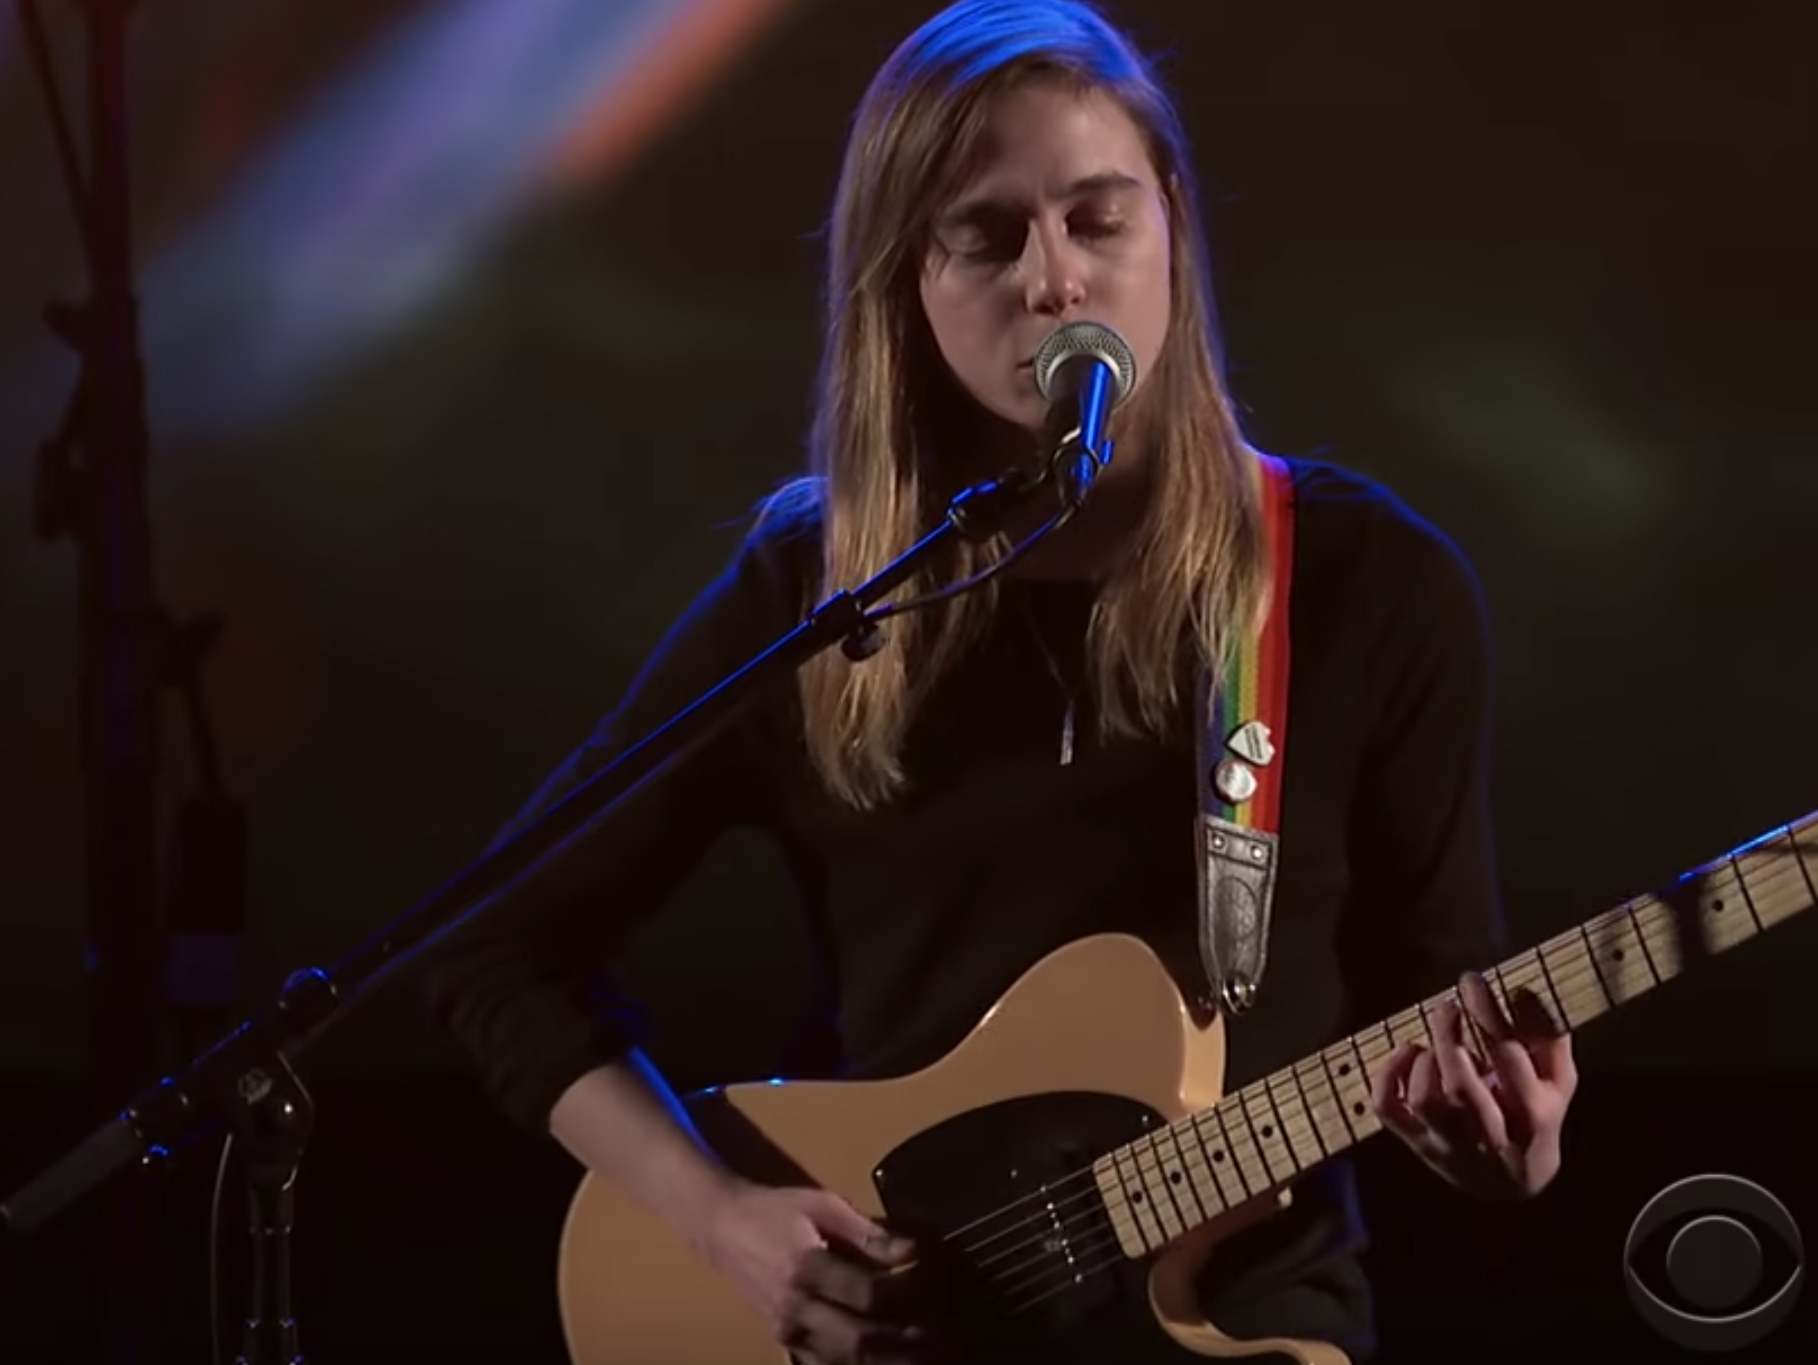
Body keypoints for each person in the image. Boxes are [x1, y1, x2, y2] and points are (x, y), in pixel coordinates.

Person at [420, 1, 1578, 1361]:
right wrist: (722, 1219)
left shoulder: (1369, 585)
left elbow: (1452, 1016)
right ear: (903, 278)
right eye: (987, 234)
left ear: (1175, 234)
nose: (1056, 280)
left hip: (1252, 1325)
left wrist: (1509, 1142)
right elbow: (492, 947)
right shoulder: (816, 591)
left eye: (1100, 220)